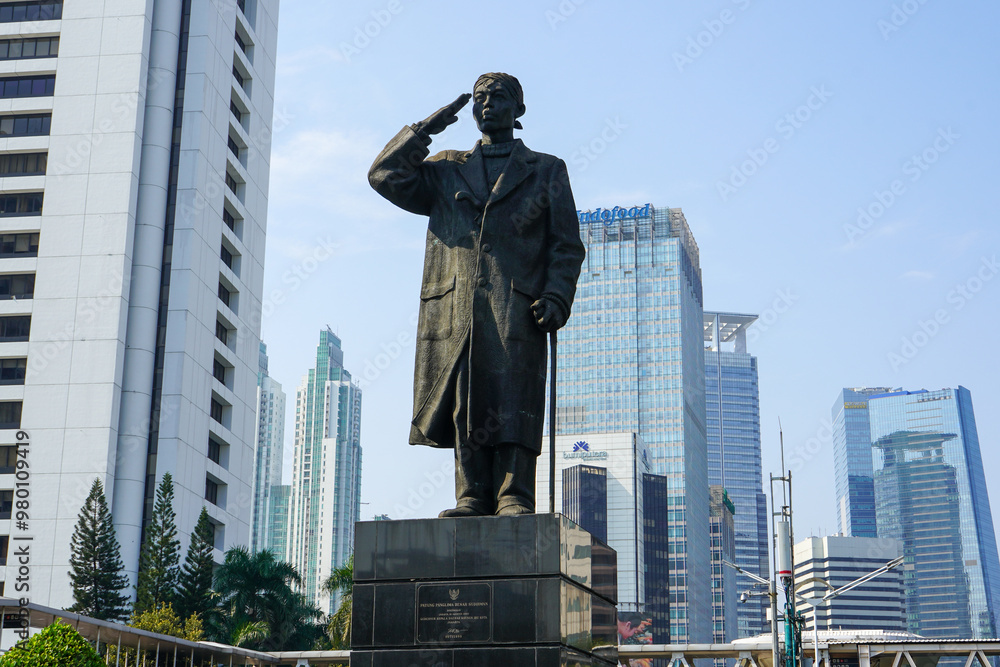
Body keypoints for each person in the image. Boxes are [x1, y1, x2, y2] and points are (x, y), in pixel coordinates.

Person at [368, 73, 585, 516]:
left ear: (519, 109)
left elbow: (566, 245)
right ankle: (471, 494)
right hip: (457, 305)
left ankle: (514, 494)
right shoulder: (447, 168)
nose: (487, 103)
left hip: (516, 305)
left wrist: (557, 296)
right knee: (465, 399)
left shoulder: (546, 170)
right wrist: (422, 131)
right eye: (481, 97)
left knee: (514, 396)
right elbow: (384, 176)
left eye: (498, 96)